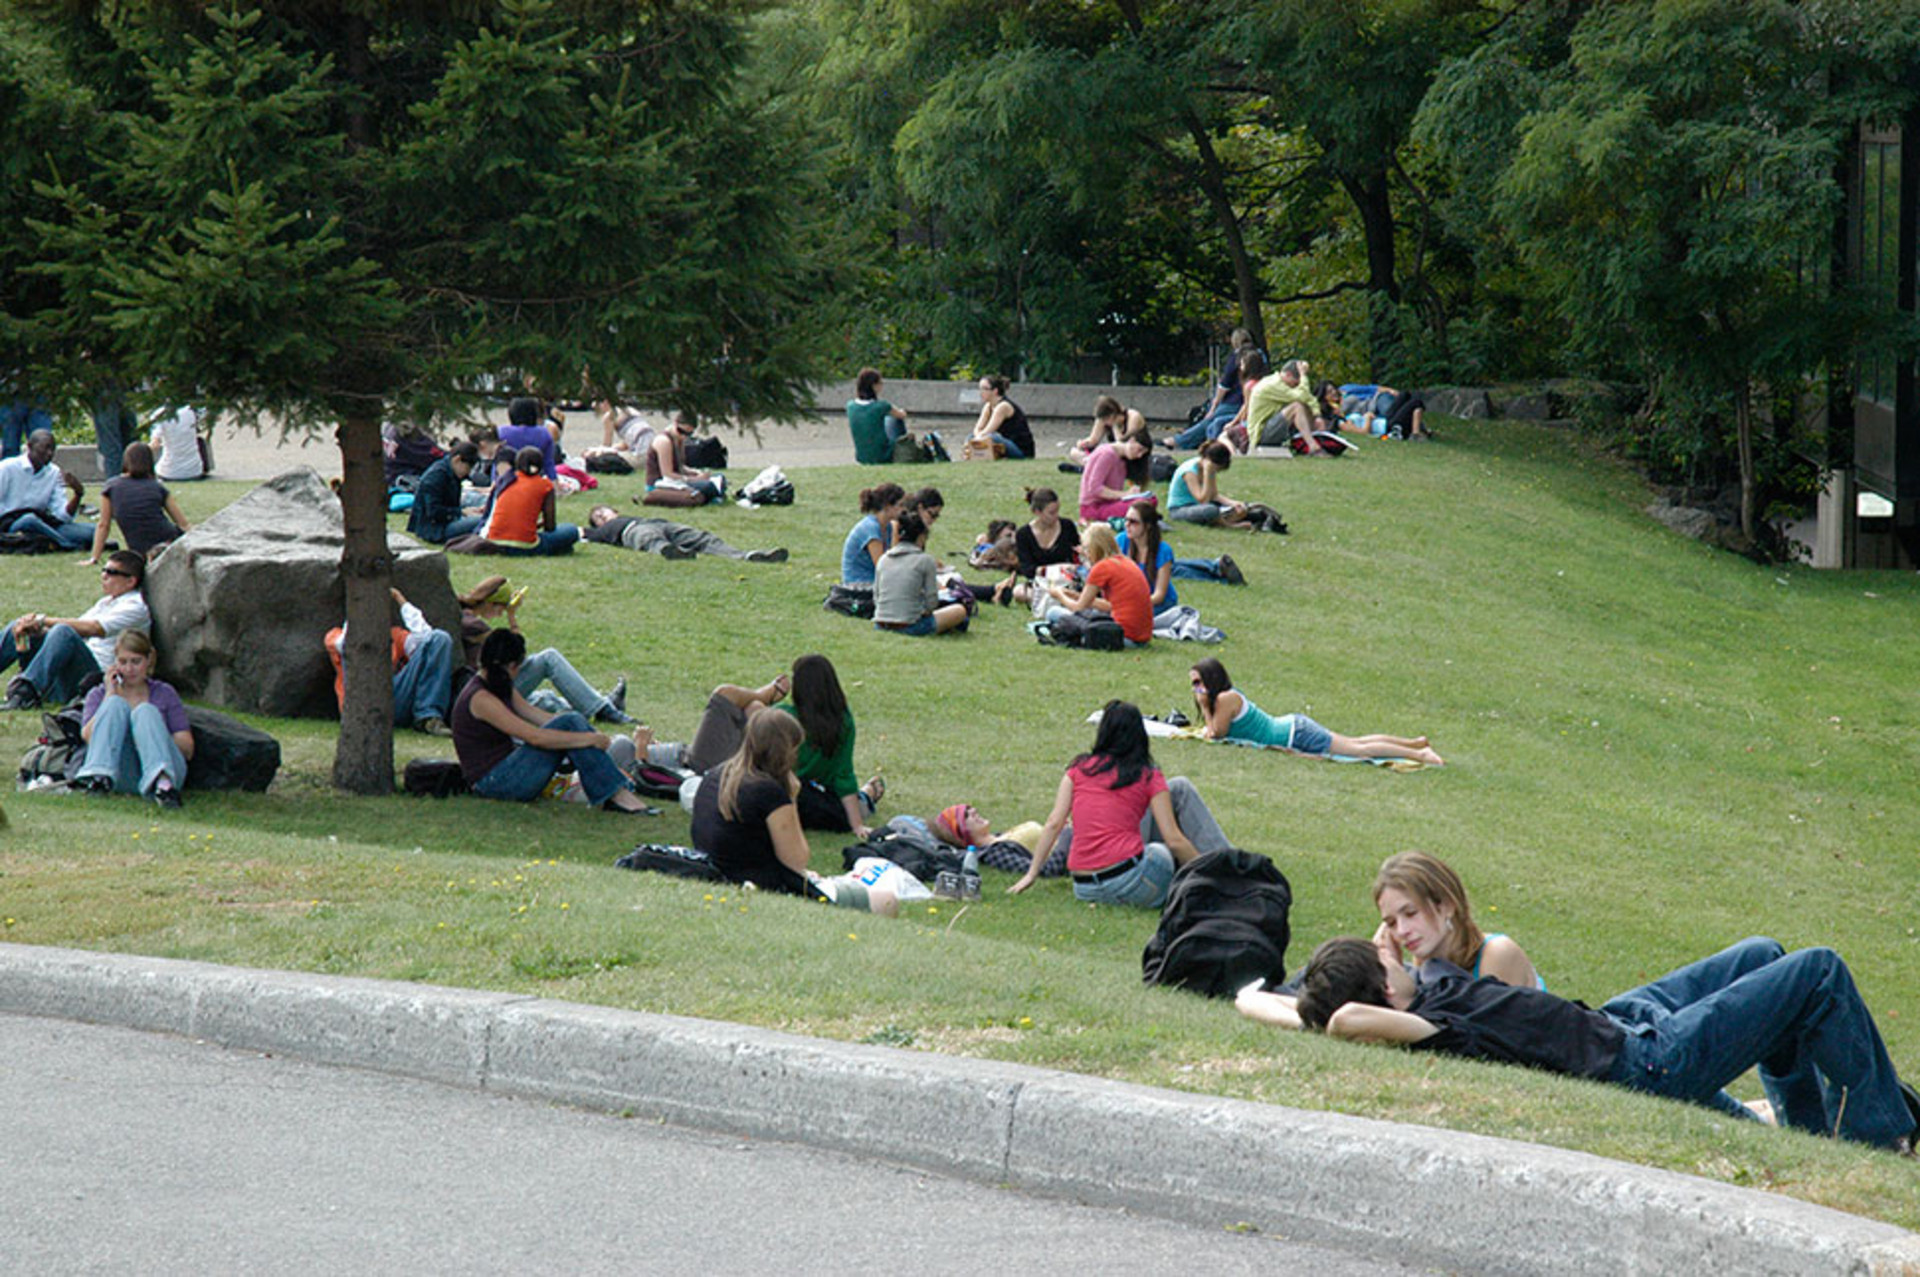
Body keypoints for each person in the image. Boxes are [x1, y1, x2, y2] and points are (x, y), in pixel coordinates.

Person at [1243, 934, 1920, 1154]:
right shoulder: (1436, 1026)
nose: (1394, 946)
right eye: (1384, 954)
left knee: (1762, 956)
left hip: (1623, 1018)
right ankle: (1880, 1131)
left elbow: (1307, 1008)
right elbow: (1341, 1023)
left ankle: (1807, 1128)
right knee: (1818, 969)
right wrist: (1337, 1008)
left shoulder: (1433, 982)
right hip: (1645, 1060)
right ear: (1380, 996)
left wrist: (1250, 995)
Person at [1007, 701, 1231, 908]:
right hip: (1132, 883)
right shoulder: (1148, 775)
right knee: (1159, 853)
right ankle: (1229, 873)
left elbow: (1054, 823)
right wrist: (1210, 878)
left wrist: (1031, 873)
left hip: (1084, 888)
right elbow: (1173, 840)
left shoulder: (1078, 768)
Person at [691, 710, 899, 914]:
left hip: (716, 869)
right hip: (760, 883)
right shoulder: (768, 792)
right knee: (887, 902)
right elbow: (797, 860)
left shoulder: (717, 775)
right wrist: (791, 799)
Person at [451, 628, 654, 813]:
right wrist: (587, 739)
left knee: (570, 720)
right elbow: (535, 737)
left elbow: (536, 715)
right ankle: (616, 794)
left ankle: (614, 792)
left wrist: (585, 732)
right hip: (494, 782)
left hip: (508, 768)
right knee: (571, 724)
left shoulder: (498, 683)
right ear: (511, 666)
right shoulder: (481, 698)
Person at [1188, 657, 1443, 764]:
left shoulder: (1224, 699)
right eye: (1193, 684)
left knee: (1359, 751)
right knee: (1357, 742)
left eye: (1198, 682)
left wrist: (1204, 707)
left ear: (1211, 679)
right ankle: (1414, 744)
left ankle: (1421, 755)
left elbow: (1216, 734)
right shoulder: (1226, 696)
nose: (1196, 689)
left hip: (1295, 735)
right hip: (1294, 727)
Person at [455, 577, 633, 724]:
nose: (501, 614)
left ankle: (605, 703)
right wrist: (512, 617)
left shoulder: (466, 618)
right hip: (487, 692)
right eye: (501, 608)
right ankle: (605, 710)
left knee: (545, 699)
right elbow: (517, 654)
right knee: (549, 658)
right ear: (490, 603)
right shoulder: (473, 624)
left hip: (487, 688)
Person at [2, 550, 151, 711]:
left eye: (112, 572)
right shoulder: (106, 602)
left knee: (63, 632)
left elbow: (93, 628)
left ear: (130, 581)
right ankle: (29, 686)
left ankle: (25, 695)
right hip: (69, 671)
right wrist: (33, 627)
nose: (104, 576)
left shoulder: (135, 607)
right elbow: (77, 628)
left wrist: (42, 620)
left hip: (95, 679)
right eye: (104, 570)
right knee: (17, 627)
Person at [1372, 851, 1539, 989]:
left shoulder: (1497, 953)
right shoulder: (1423, 969)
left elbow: (1480, 1027)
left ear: (1448, 905)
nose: (1402, 931)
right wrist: (1391, 971)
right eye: (1391, 923)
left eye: (1411, 913)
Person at [70, 631, 193, 810]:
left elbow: (187, 749)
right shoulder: (98, 694)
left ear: (148, 660)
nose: (129, 669)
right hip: (122, 769)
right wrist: (110, 694)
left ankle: (164, 788)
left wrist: (151, 733)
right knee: (114, 705)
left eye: (136, 662)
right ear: (115, 663)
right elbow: (89, 737)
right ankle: (99, 780)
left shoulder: (164, 693)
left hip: (164, 764)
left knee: (145, 712)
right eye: (123, 662)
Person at [324, 587, 456, 736]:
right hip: (363, 705)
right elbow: (347, 644)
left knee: (440, 638)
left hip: (395, 700)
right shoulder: (334, 636)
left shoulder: (394, 635)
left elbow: (426, 639)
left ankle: (428, 718)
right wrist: (358, 607)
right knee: (355, 656)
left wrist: (401, 601)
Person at [778, 652, 885, 836]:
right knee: (837, 815)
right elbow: (844, 775)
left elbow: (843, 775)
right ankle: (866, 795)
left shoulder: (783, 716)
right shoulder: (842, 721)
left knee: (839, 817)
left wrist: (774, 693)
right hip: (799, 792)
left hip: (807, 792)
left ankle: (867, 795)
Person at [1118, 504, 1242, 619]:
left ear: (1148, 525)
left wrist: (1133, 604)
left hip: (1159, 604)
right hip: (1133, 600)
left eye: (1133, 522)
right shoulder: (1121, 541)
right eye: (1126, 520)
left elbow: (1159, 595)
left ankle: (1218, 570)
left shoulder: (1162, 550)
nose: (1127, 525)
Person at [1044, 523, 1152, 647]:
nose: (1085, 554)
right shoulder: (1126, 562)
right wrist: (1074, 595)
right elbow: (1110, 606)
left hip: (1118, 635)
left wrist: (1059, 595)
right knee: (1092, 612)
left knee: (1053, 612)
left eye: (1086, 549)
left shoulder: (1102, 567)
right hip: (1141, 638)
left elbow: (1078, 608)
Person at [86, 443, 191, 562]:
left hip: (139, 550)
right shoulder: (156, 487)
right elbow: (183, 524)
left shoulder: (111, 487)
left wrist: (94, 557)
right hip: (170, 541)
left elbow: (103, 525)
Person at [873, 511, 970, 636]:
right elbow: (931, 603)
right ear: (921, 537)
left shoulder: (884, 559)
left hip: (880, 623)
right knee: (959, 610)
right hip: (910, 625)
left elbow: (876, 596)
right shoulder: (925, 561)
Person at [583, 504, 786, 562]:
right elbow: (576, 532)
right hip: (634, 531)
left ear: (615, 511)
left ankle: (745, 555)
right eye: (597, 519)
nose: (601, 518)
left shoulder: (628, 515)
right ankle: (672, 552)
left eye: (602, 513)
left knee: (702, 538)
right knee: (650, 540)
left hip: (660, 524)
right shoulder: (602, 532)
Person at [0, 429, 95, 550]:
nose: (49, 453)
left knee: (92, 531)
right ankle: (66, 545)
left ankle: (53, 541)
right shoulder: (7, 468)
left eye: (52, 449)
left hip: (43, 524)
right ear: (30, 446)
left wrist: (78, 494)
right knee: (29, 520)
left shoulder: (53, 472)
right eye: (45, 448)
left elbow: (62, 516)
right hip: (12, 525)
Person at [477, 446, 579, 556]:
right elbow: (550, 527)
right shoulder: (545, 485)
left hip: (494, 542)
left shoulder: (505, 481)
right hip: (525, 546)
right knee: (571, 530)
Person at [1168, 330, 1259, 450]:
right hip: (1240, 403)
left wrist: (1214, 405)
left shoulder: (1238, 357)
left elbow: (1225, 384)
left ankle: (1181, 441)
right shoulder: (1258, 355)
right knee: (1212, 422)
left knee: (1210, 419)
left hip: (1233, 401)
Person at [995, 486, 1080, 606]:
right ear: (1037, 512)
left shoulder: (1067, 526)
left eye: (1057, 511)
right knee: (1019, 593)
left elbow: (1078, 553)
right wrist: (1055, 569)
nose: (1056, 516)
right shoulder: (1024, 534)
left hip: (1067, 580)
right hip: (1040, 582)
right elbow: (1027, 569)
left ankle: (1058, 598)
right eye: (1051, 513)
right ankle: (1057, 599)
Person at [1167, 441, 1259, 531]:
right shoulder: (1189, 472)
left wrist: (1233, 503)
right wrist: (1207, 473)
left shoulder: (1210, 469)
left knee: (1240, 510)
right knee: (1211, 510)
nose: (1216, 471)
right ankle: (1229, 526)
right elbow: (1203, 500)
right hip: (1180, 509)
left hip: (1199, 506)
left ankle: (1219, 522)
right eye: (1217, 468)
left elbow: (1214, 495)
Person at [1077, 424, 1156, 524]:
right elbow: (1095, 489)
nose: (1139, 456)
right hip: (1094, 507)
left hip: (1110, 503)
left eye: (1142, 454)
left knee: (1150, 499)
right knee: (1142, 505)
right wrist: (1125, 494)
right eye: (1139, 450)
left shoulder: (1123, 459)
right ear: (1131, 440)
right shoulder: (1106, 454)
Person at [1246, 360, 1328, 454]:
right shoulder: (1273, 385)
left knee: (1302, 404)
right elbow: (1303, 395)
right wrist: (1303, 376)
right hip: (1260, 435)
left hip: (1271, 426)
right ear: (1288, 374)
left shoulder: (1281, 383)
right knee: (1296, 407)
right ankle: (1313, 447)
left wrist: (1317, 416)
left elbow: (1309, 398)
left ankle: (1320, 440)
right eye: (1295, 383)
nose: (1295, 386)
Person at [407, 442, 481, 544]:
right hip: (436, 529)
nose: (468, 472)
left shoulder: (449, 472)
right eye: (468, 468)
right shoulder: (436, 476)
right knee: (481, 521)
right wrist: (461, 512)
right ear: (457, 460)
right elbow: (433, 511)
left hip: (446, 521)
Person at [646, 410, 723, 505]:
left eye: (688, 434)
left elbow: (680, 466)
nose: (684, 437)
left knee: (720, 478)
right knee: (707, 486)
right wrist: (695, 479)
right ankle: (710, 494)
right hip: (661, 483)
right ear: (675, 424)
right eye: (681, 431)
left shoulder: (679, 439)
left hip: (677, 480)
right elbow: (667, 474)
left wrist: (696, 472)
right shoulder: (664, 442)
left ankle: (710, 494)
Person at [840, 483, 904, 587]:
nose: (903, 510)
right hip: (859, 584)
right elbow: (882, 566)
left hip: (874, 581)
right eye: (900, 505)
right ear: (887, 506)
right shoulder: (871, 528)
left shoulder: (887, 527)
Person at [847, 368, 913, 465]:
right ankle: (900, 453)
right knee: (893, 419)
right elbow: (901, 415)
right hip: (882, 455)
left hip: (862, 457)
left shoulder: (850, 406)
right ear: (874, 386)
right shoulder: (882, 406)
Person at [963, 375, 1034, 460]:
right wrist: (975, 438)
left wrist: (977, 440)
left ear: (995, 391)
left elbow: (988, 431)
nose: (981, 392)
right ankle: (973, 456)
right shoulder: (988, 406)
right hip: (1004, 443)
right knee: (970, 437)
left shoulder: (1003, 406)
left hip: (1020, 450)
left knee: (992, 437)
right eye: (980, 388)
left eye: (984, 389)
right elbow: (978, 428)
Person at [1071, 396, 1148, 465]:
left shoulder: (1133, 417)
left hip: (1133, 454)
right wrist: (1084, 443)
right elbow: (1094, 440)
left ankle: (1090, 464)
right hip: (1114, 453)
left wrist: (1115, 427)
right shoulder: (1104, 420)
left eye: (1106, 420)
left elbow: (1124, 445)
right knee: (1074, 452)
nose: (1105, 423)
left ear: (1112, 415)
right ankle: (1090, 463)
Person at [499, 396, 558, 479]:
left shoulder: (502, 432)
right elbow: (549, 464)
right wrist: (555, 483)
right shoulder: (544, 433)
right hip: (535, 477)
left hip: (508, 479)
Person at [150, 406, 206, 482]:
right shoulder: (195, 409)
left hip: (168, 472)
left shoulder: (159, 414)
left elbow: (154, 445)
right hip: (195, 470)